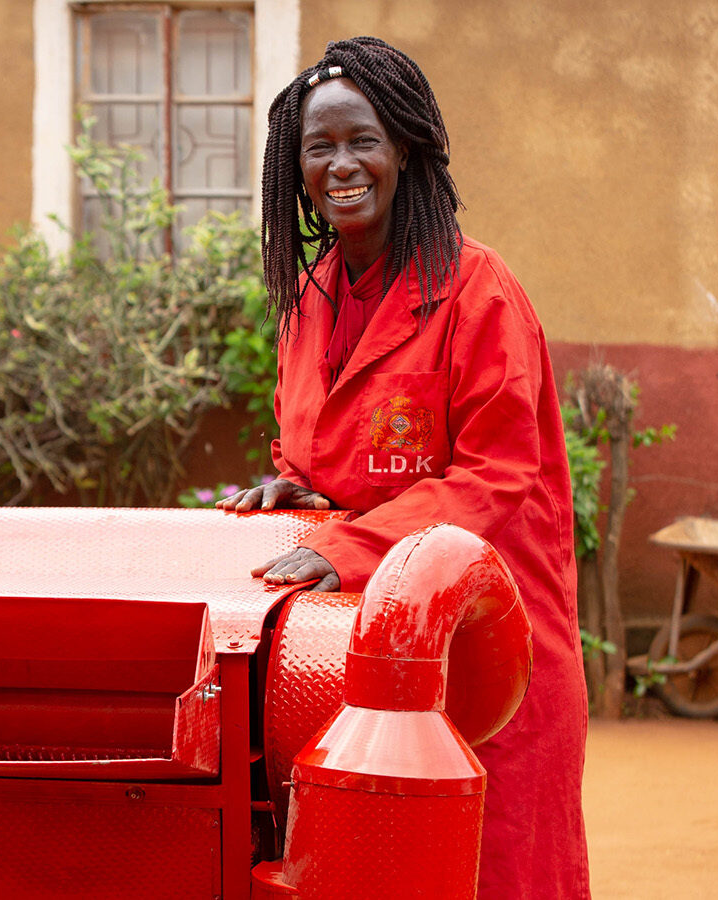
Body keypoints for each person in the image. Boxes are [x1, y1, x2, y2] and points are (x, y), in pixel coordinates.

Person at [216, 36, 590, 900]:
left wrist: (347, 548)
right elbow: (310, 447)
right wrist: (291, 490)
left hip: (492, 653)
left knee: (493, 870)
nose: (341, 165)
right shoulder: (307, 303)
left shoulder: (478, 292)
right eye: (320, 147)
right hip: (362, 655)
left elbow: (499, 477)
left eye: (362, 141)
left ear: (405, 150)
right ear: (295, 168)